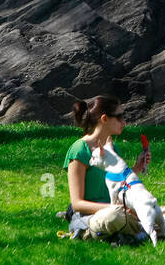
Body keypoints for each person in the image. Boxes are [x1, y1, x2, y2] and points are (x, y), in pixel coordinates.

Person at [61, 95, 153, 238]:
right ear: (104, 119)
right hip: (91, 217)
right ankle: (145, 229)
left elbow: (119, 184)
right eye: (119, 117)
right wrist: (116, 209)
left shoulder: (113, 149)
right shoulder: (80, 150)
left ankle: (142, 228)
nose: (124, 122)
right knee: (113, 217)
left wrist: (137, 168)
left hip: (119, 212)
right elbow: (77, 204)